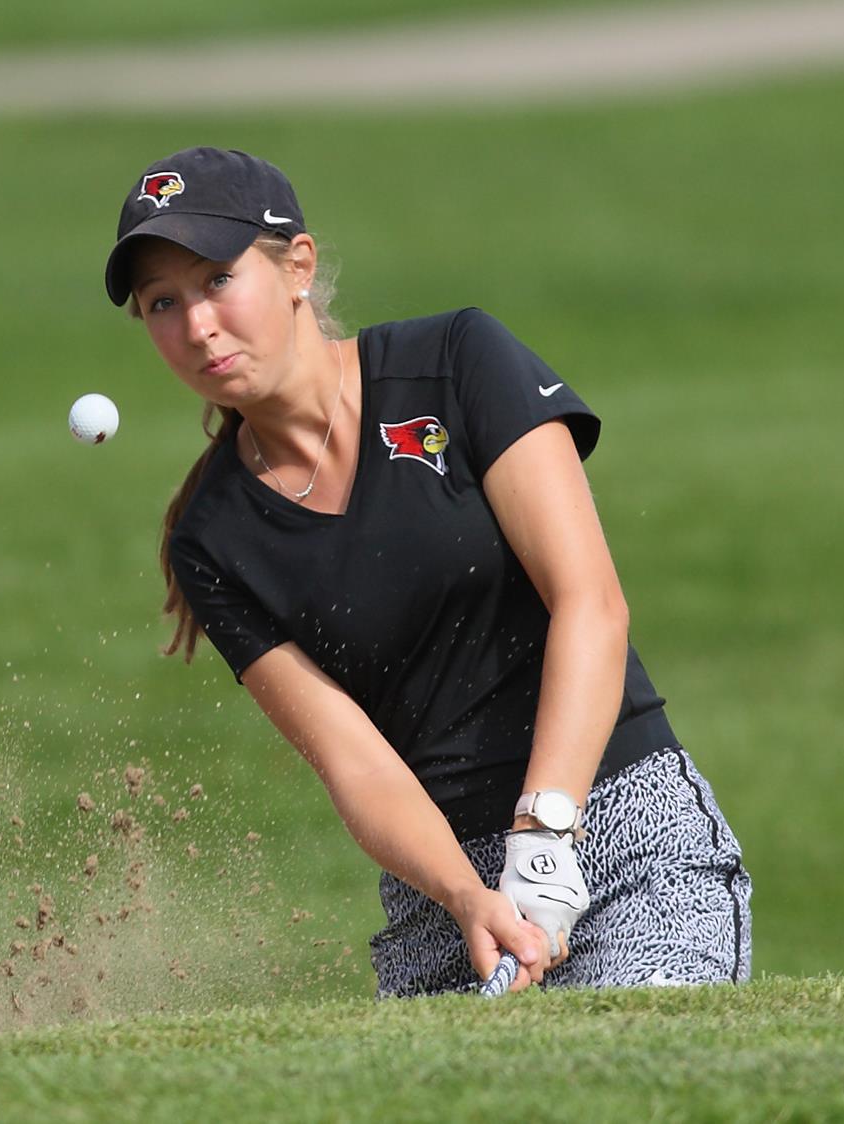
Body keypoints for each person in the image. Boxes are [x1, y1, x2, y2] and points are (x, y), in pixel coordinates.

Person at [103, 146, 750, 995]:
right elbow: (354, 762)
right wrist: (467, 896)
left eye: (218, 280)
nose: (196, 326)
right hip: (442, 897)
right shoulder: (211, 537)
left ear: (296, 265)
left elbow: (589, 604)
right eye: (162, 303)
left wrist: (544, 834)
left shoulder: (457, 363)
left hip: (617, 828)